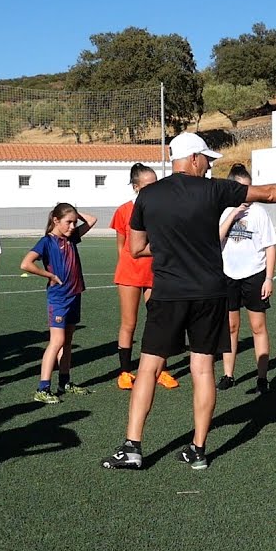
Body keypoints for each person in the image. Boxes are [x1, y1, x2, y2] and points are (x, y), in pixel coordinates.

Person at [104, 132, 276, 471]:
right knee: (203, 368)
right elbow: (271, 193)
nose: (209, 164)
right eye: (205, 158)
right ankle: (199, 449)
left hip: (168, 294)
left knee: (148, 367)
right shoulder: (215, 189)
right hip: (209, 292)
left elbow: (136, 248)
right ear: (191, 158)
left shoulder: (148, 196)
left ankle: (132, 447)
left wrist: (171, 249)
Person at [111, 163, 179, 391]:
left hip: (156, 272)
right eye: (149, 185)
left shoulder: (164, 209)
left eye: (156, 183)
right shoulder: (123, 210)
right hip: (129, 274)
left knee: (158, 322)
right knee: (129, 323)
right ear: (136, 186)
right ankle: (125, 372)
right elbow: (122, 247)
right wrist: (128, 268)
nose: (155, 188)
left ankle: (161, 369)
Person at [22, 203, 97, 404]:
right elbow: (26, 263)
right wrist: (50, 275)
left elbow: (91, 220)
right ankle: (42, 387)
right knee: (56, 341)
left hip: (75, 294)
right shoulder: (47, 241)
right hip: (59, 298)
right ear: (55, 220)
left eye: (74, 222)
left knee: (67, 341)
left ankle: (64, 382)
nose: (72, 226)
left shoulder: (71, 238)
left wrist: (74, 212)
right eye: (68, 222)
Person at [218, 163, 276, 394]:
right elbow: (216, 239)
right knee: (230, 326)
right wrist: (234, 212)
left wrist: (269, 278)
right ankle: (228, 374)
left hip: (254, 275)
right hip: (227, 275)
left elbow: (270, 247)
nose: (247, 194)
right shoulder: (223, 210)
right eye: (241, 189)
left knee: (258, 327)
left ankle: (262, 377)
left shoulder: (259, 212)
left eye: (249, 188)